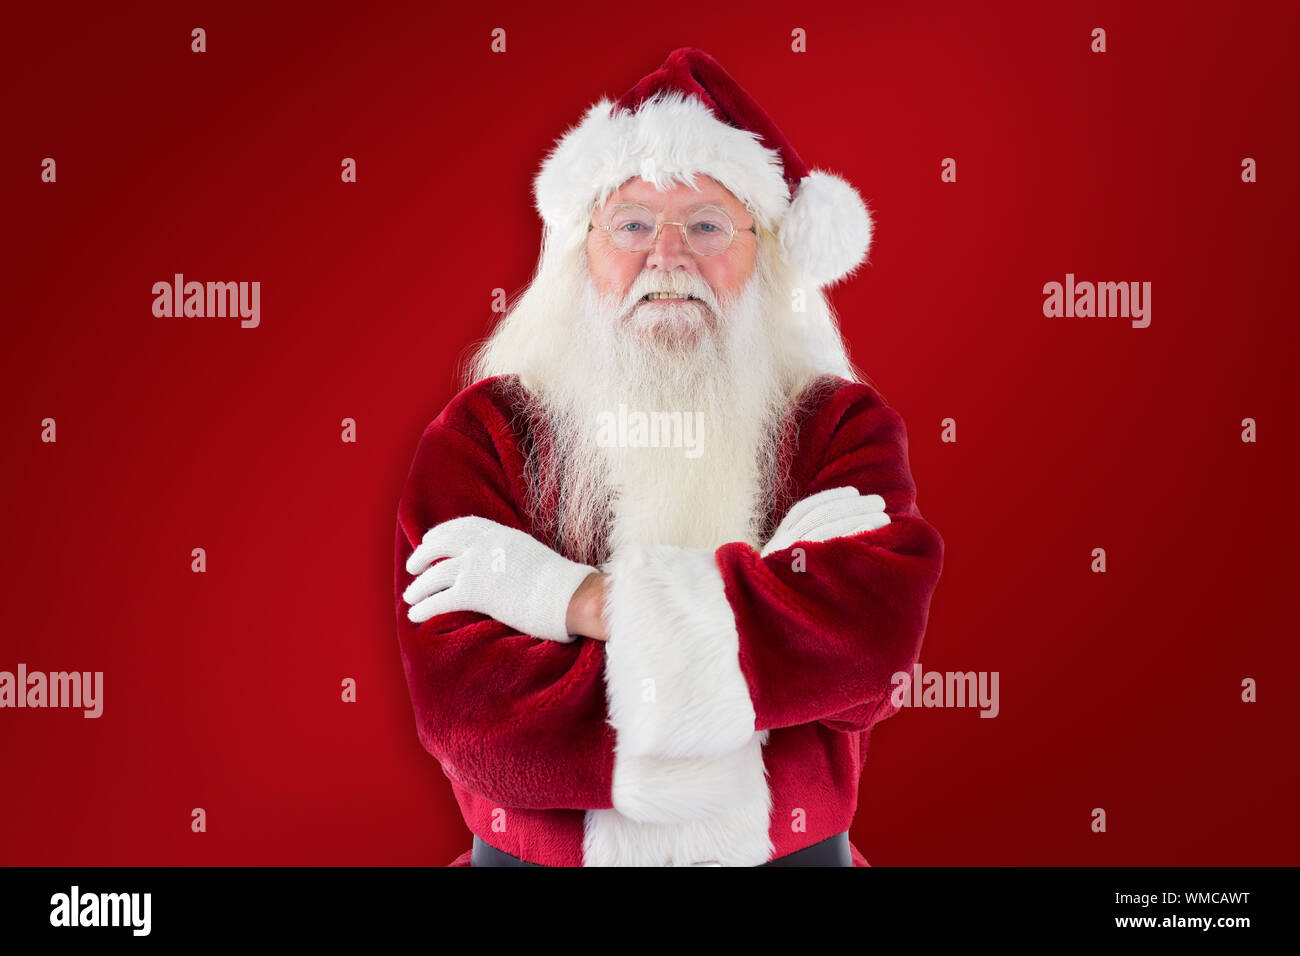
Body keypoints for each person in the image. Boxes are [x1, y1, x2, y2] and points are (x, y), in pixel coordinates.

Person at [392, 47, 944, 866]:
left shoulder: (841, 427)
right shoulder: (482, 433)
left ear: (767, 254)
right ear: (583, 248)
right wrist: (766, 648)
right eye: (634, 224)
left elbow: (869, 652)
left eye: (709, 225)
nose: (668, 257)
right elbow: (471, 718)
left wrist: (572, 601)